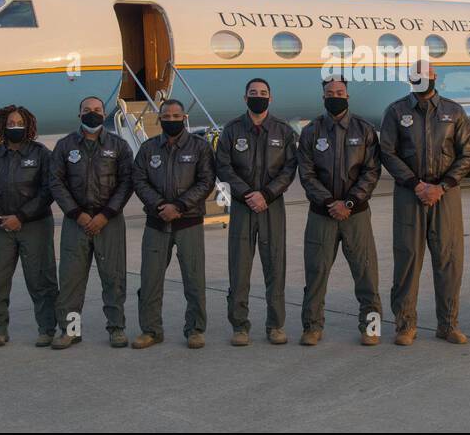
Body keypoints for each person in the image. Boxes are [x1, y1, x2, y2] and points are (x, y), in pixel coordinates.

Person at [379, 61, 470, 346]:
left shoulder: (454, 112)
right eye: (416, 74)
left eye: (427, 74)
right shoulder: (396, 111)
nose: (422, 78)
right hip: (410, 193)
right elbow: (387, 151)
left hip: (445, 195)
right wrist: (416, 184)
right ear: (410, 78)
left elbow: (467, 154)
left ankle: (448, 324)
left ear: (435, 77)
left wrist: (441, 186)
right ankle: (405, 325)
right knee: (407, 258)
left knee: (448, 260)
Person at [296, 76, 383, 346]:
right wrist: (329, 203)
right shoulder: (311, 131)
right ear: (323, 97)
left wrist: (348, 204)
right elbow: (307, 173)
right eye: (330, 92)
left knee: (366, 274)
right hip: (322, 214)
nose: (335, 96)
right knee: (316, 273)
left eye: (340, 92)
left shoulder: (364, 129)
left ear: (347, 96)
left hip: (355, 214)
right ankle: (312, 327)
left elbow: (371, 171)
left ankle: (371, 328)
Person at [215, 79, 297, 346]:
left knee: (275, 266)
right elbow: (224, 166)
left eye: (263, 94)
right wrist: (248, 194)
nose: (258, 97)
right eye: (253, 94)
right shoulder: (232, 130)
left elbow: (289, 168)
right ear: (245, 98)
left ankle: (275, 325)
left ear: (270, 99)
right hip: (242, 206)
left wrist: (267, 194)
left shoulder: (283, 131)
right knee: (239, 267)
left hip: (272, 206)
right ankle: (240, 326)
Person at [48, 96, 134, 349]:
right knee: (72, 281)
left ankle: (116, 328)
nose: (92, 114)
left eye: (97, 110)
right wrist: (77, 214)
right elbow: (56, 182)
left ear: (104, 113)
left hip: (110, 221)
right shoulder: (65, 146)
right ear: (79, 115)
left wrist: (106, 214)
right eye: (87, 110)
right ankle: (70, 330)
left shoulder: (119, 146)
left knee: (114, 278)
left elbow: (126, 182)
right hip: (77, 221)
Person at [0, 105, 58, 347]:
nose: (15, 126)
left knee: (41, 279)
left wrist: (20, 216)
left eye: (19, 122)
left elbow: (48, 190)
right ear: (2, 126)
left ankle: (47, 329)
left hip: (34, 225)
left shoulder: (42, 155)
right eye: (10, 123)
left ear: (28, 125)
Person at [132, 100, 216, 349]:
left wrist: (178, 206)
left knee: (194, 279)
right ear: (159, 118)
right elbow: (139, 179)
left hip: (188, 222)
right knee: (150, 279)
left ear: (184, 117)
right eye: (166, 115)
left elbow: (206, 181)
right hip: (156, 222)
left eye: (176, 115)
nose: (171, 119)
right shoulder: (148, 149)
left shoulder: (199, 147)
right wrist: (160, 206)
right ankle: (151, 330)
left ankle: (195, 330)